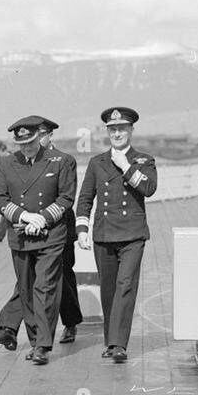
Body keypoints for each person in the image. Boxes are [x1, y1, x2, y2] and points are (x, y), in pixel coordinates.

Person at [0, 115, 77, 364]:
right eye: (22, 144)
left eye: (31, 141)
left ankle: (42, 346)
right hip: (20, 235)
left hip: (51, 236)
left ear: (39, 138)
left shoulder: (61, 161)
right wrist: (24, 215)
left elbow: (66, 197)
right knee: (26, 290)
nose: (27, 147)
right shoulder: (6, 164)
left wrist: (43, 218)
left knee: (45, 288)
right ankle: (35, 338)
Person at [75, 106, 157, 364]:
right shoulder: (97, 162)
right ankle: (111, 341)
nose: (117, 133)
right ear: (107, 132)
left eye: (122, 128)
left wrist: (126, 166)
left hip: (132, 235)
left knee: (125, 286)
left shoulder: (144, 160)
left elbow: (149, 188)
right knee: (109, 290)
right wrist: (81, 229)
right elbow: (85, 198)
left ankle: (119, 343)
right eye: (113, 129)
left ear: (131, 130)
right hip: (104, 234)